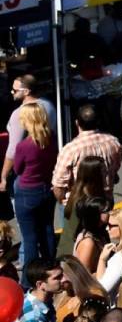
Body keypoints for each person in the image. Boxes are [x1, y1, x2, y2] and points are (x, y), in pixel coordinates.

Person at [11, 103, 58, 278]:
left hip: (27, 192)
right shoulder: (51, 138)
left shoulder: (24, 146)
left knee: (30, 238)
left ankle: (29, 278)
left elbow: (17, 169)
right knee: (47, 230)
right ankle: (50, 266)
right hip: (47, 189)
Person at [51, 104, 122, 205]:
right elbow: (115, 167)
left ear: (77, 123)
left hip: (79, 204)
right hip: (105, 201)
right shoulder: (114, 142)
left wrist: (63, 201)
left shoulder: (70, 150)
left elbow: (58, 185)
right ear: (98, 122)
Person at [14, 258, 64, 322]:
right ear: (40, 285)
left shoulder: (37, 300)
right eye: (58, 278)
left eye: (62, 275)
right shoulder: (33, 320)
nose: (64, 280)